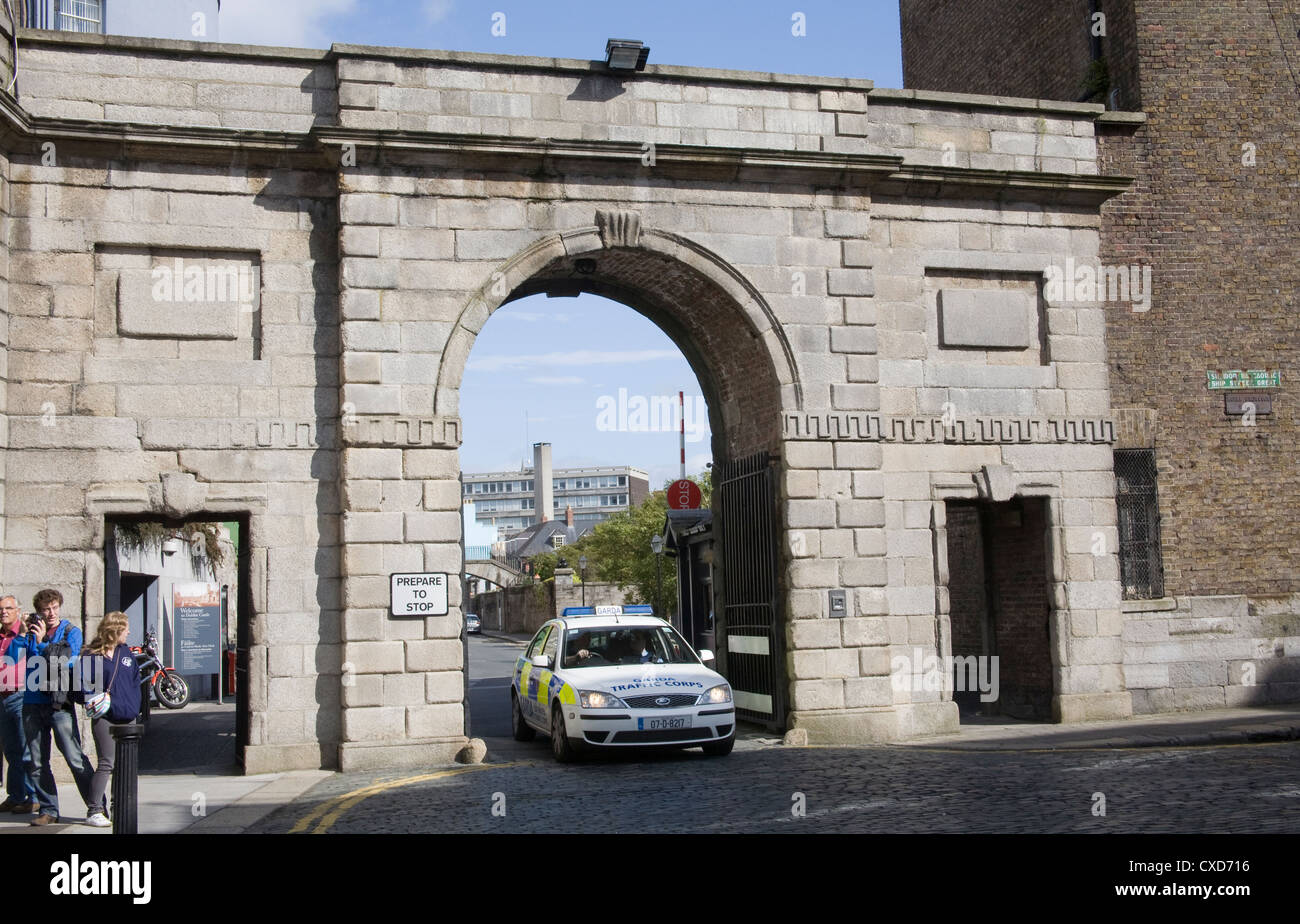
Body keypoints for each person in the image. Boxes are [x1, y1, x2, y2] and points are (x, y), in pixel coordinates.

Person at [21, 589, 95, 827]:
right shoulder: (33, 631)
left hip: (58, 702)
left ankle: (96, 805)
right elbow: (24, 656)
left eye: (54, 607)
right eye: (45, 609)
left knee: (74, 757)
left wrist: (43, 643)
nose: (51, 613)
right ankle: (48, 808)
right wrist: (24, 633)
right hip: (33, 701)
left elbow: (66, 661)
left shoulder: (70, 632)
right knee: (37, 761)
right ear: (39, 611)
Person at [78, 611, 141, 828]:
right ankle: (94, 809)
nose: (129, 632)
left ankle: (118, 806)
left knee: (125, 765)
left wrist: (133, 708)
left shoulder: (126, 653)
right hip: (105, 716)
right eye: (125, 628)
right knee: (107, 762)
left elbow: (135, 683)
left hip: (128, 715)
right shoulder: (91, 654)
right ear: (115, 631)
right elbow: (87, 688)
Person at [0, 596, 37, 813]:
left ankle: (33, 797)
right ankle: (15, 796)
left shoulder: (25, 632)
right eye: (1, 609)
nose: (4, 612)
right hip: (2, 698)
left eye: (8, 608)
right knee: (11, 751)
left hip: (21, 695)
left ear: (17, 610)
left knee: (26, 751)